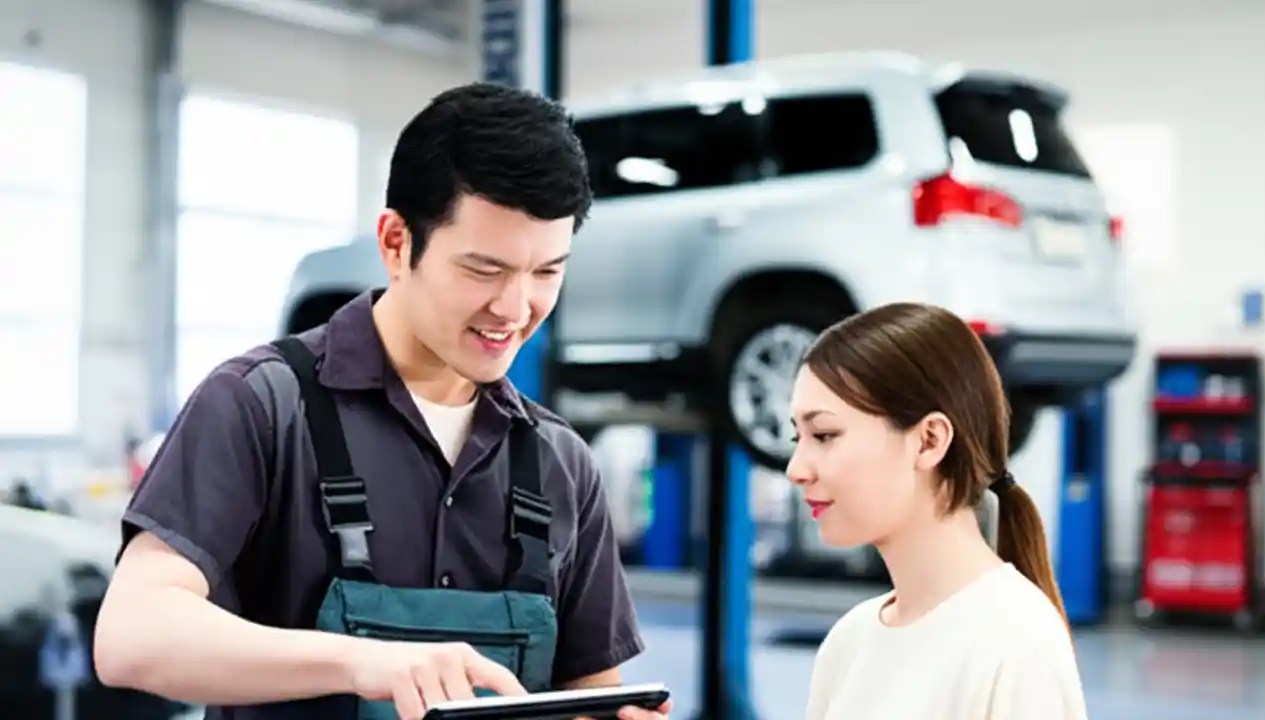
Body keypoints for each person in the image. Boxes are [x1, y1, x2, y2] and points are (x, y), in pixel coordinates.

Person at [94, 82, 672, 720]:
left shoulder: (561, 463)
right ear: (396, 243)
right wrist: (362, 661)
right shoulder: (261, 407)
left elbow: (590, 694)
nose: (514, 309)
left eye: (546, 273)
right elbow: (131, 636)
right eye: (484, 270)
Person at [789, 302, 1088, 720]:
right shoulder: (849, 643)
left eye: (824, 435)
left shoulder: (1017, 643)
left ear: (928, 441)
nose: (796, 469)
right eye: (796, 438)